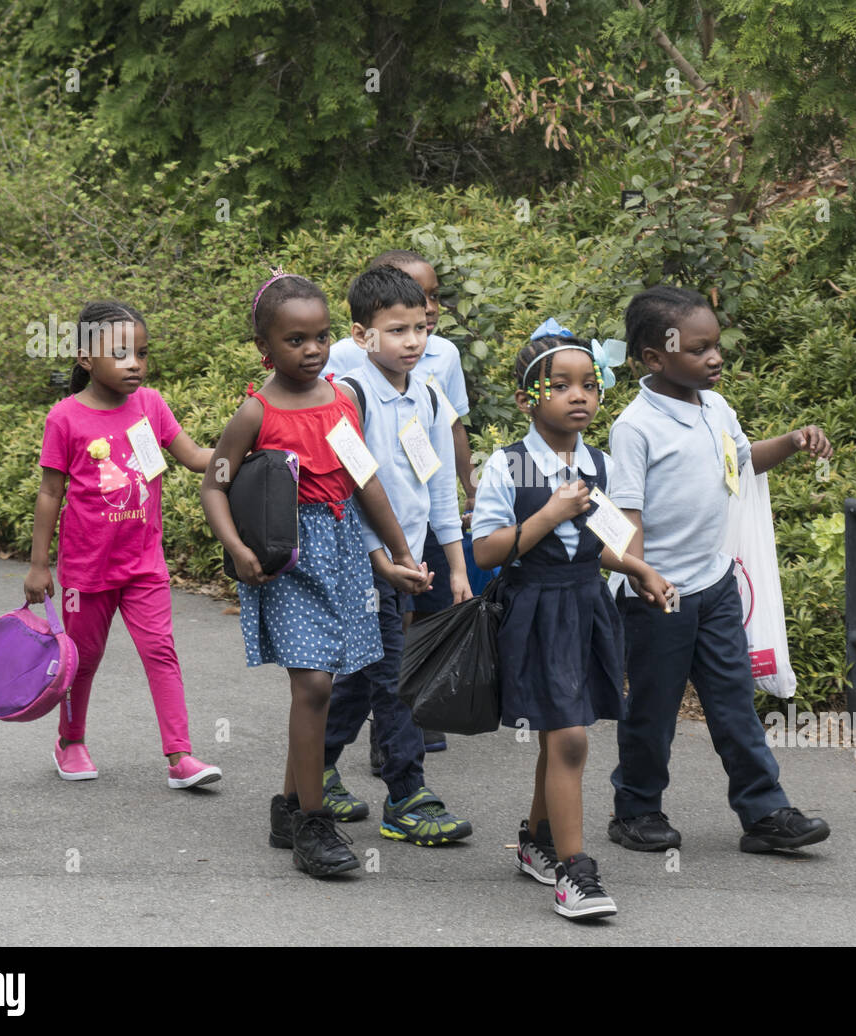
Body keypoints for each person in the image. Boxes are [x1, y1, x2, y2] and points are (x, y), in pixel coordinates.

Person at [200, 271, 430, 878]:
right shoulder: (255, 411)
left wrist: (399, 556)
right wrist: (236, 550)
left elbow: (366, 482)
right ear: (265, 348)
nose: (311, 350)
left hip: (347, 554)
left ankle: (287, 807)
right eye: (296, 339)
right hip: (288, 560)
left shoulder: (342, 400)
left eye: (321, 337)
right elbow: (214, 486)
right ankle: (313, 823)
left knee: (324, 687)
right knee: (315, 689)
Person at [606, 285, 833, 855]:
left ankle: (765, 811)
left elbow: (744, 459)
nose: (715, 358)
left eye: (717, 346)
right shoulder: (635, 427)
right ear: (656, 359)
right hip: (660, 593)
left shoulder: (716, 407)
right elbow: (626, 510)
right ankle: (636, 809)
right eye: (700, 349)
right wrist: (638, 572)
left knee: (733, 701)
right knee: (653, 710)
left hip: (715, 584)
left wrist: (792, 440)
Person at [473, 319, 674, 921]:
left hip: (587, 607)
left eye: (588, 384)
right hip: (533, 610)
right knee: (569, 736)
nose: (578, 395)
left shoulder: (602, 465)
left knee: (563, 726)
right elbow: (485, 550)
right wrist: (550, 511)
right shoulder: (506, 466)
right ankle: (575, 872)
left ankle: (536, 841)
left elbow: (601, 542)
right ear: (526, 399)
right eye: (560, 385)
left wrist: (637, 569)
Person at [24, 300, 222, 790]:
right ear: (86, 359)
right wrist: (38, 566)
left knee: (160, 651)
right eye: (121, 353)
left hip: (144, 566)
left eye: (142, 353)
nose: (135, 362)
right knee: (82, 660)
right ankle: (70, 741)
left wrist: (250, 446)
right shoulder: (65, 418)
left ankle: (180, 757)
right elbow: (51, 493)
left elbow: (196, 457)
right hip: (86, 572)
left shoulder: (151, 405)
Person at [319, 265, 475, 845]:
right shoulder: (348, 397)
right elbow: (349, 485)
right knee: (395, 675)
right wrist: (379, 555)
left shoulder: (430, 397)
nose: (413, 341)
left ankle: (317, 768)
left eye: (419, 329)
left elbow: (436, 489)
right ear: (362, 337)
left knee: (366, 674)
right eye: (397, 331)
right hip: (361, 562)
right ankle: (407, 797)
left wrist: (456, 566)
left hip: (407, 559)